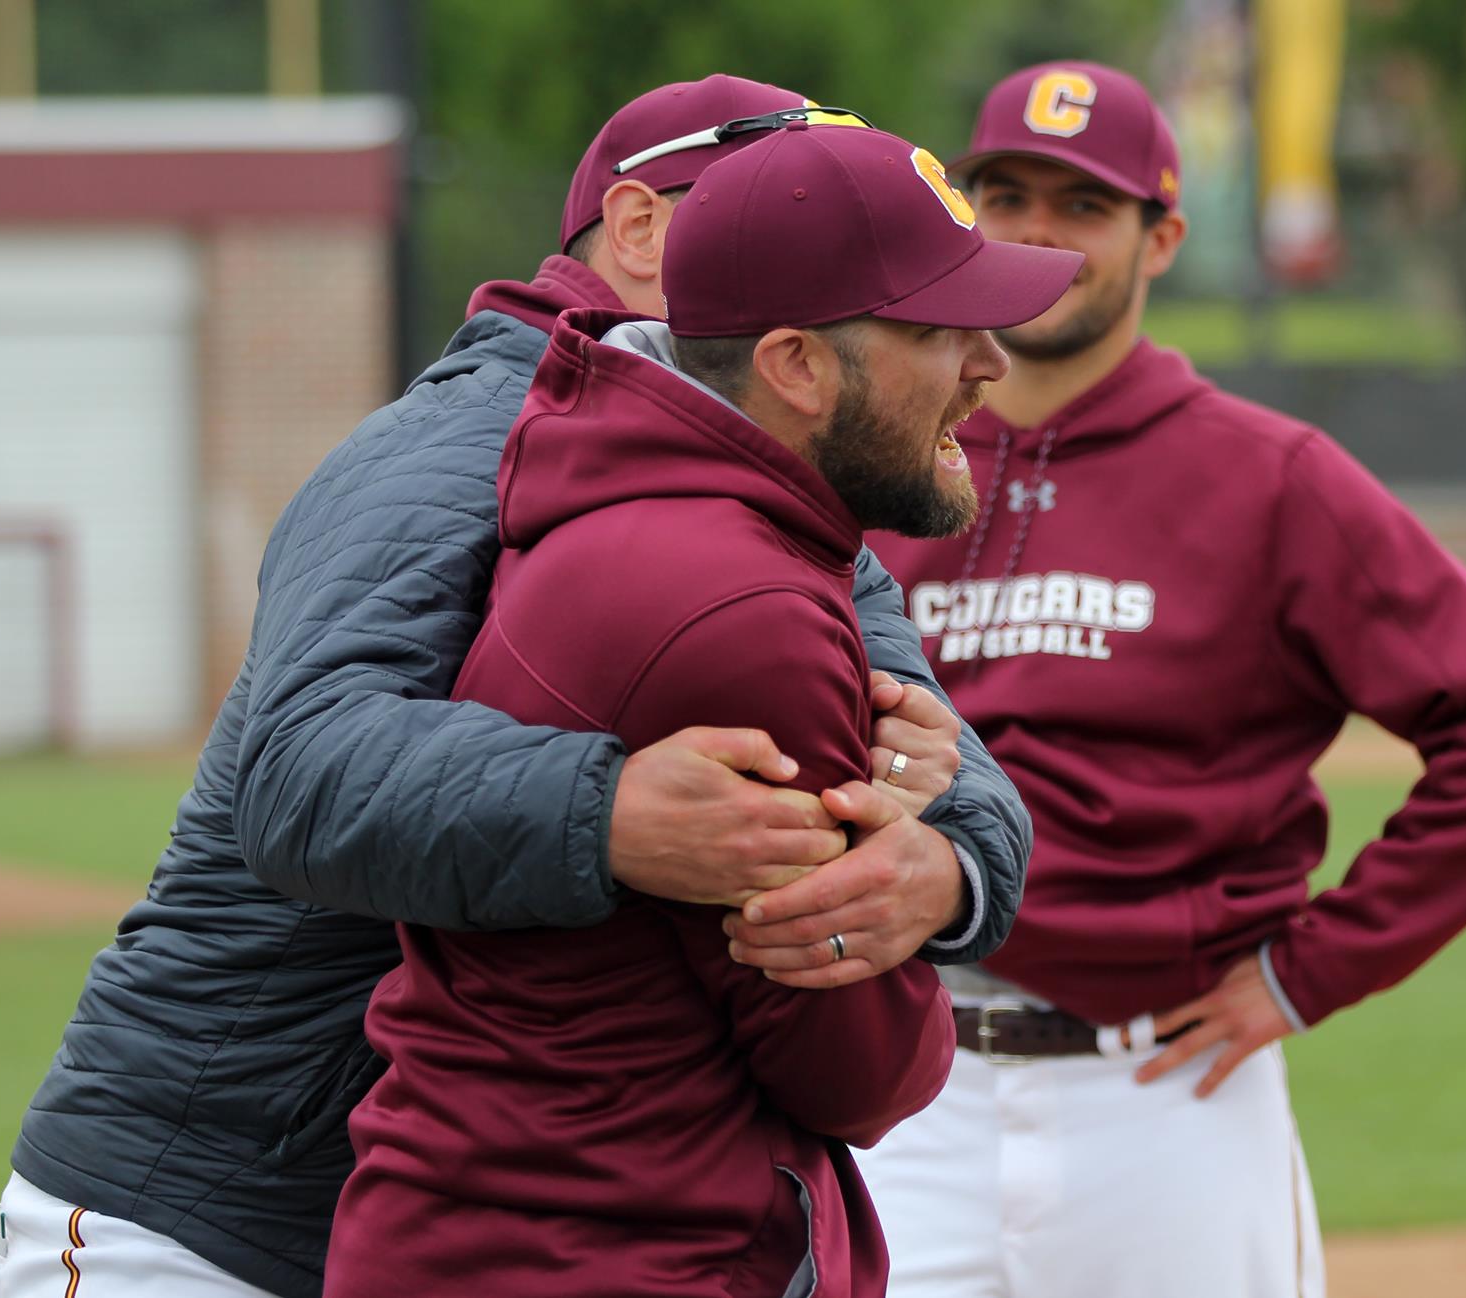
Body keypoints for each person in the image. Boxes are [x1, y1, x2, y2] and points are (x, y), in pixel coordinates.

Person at [0, 77, 1032, 1298]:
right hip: (197, 1214)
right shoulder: (450, 443)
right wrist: (603, 809)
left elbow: (943, 746)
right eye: (750, 197)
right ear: (638, 231)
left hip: (459, 1225)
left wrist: (948, 864)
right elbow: (295, 773)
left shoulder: (759, 477)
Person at [853, 61, 1466, 1298]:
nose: (1038, 234)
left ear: (1163, 237)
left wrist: (1306, 970)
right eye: (1006, 195)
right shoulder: (878, 461)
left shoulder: (1269, 476)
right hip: (901, 1080)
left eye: (1083, 207)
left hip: (1162, 1093)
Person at [322, 123, 1081, 1298]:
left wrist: (940, 849)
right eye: (940, 327)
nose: (989, 360)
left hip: (496, 1233)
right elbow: (868, 1070)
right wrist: (894, 894)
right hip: (608, 1249)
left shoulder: (637, 502)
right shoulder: (748, 607)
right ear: (795, 364)